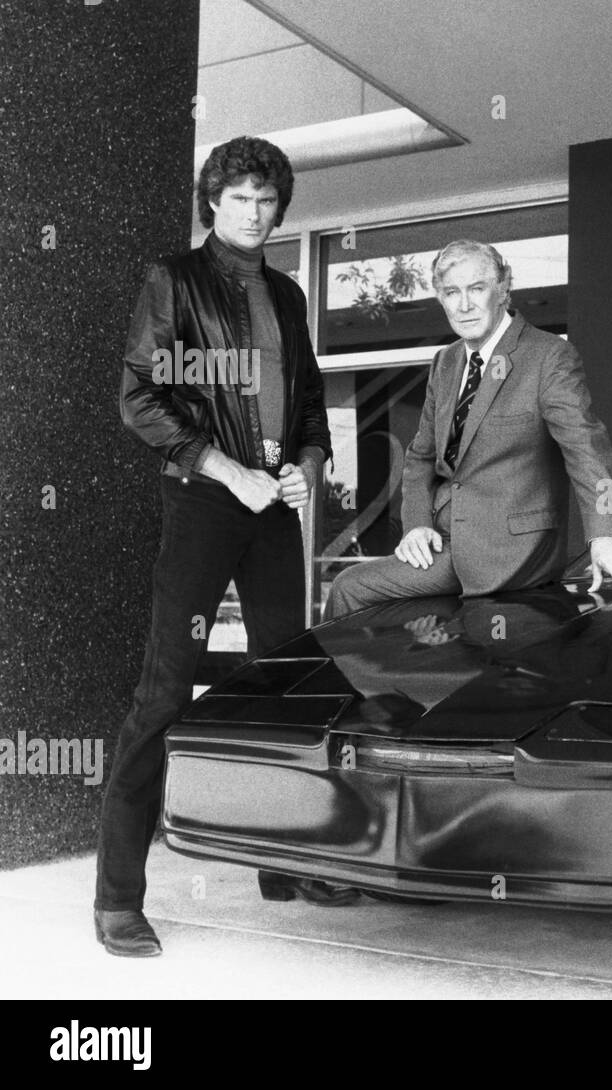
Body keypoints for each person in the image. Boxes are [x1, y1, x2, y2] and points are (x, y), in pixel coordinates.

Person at [95, 136, 349, 959]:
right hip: (205, 502)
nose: (254, 210)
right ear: (213, 202)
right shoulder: (176, 279)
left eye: (267, 198)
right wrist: (223, 468)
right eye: (239, 196)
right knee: (166, 691)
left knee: (287, 686)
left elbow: (310, 406)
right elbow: (141, 398)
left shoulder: (290, 295)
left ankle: (284, 864)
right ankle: (117, 899)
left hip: (275, 507)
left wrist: (308, 465)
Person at [325, 239, 612, 617]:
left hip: (509, 552)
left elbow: (586, 449)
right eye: (452, 292)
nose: (464, 305)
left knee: (353, 587)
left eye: (476, 289)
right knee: (373, 606)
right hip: (443, 544)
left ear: (503, 288)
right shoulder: (445, 363)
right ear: (440, 298)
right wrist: (416, 525)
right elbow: (420, 458)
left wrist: (605, 535)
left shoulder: (547, 356)